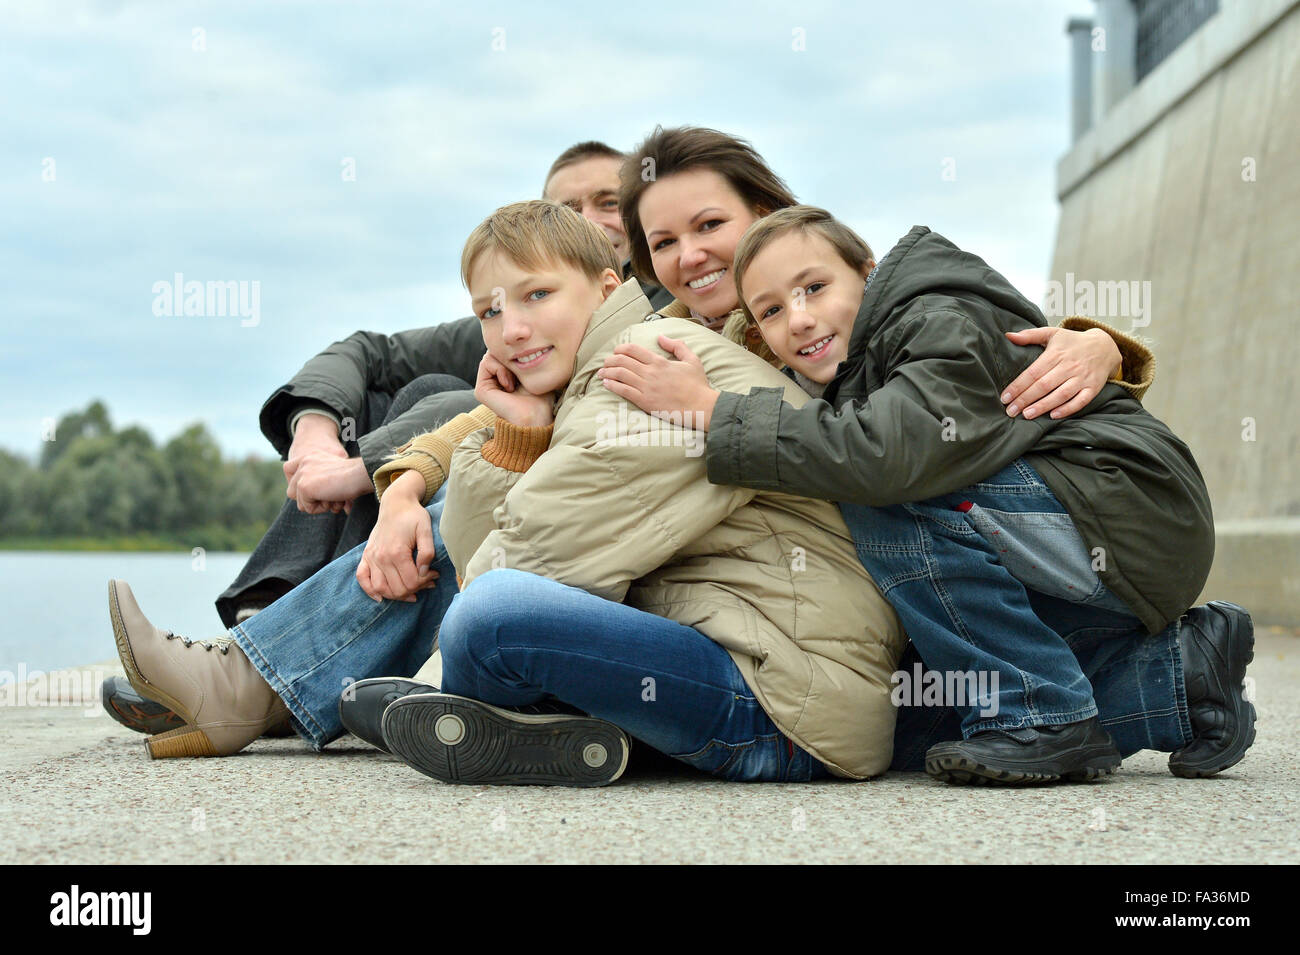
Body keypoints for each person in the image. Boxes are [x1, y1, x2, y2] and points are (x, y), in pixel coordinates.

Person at [108, 200, 909, 783]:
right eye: (490, 310)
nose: (511, 328)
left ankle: (267, 686)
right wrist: (516, 437)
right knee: (480, 598)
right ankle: (272, 685)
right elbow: (493, 540)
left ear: (605, 286)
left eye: (535, 296)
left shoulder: (649, 362)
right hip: (728, 657)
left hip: (786, 702)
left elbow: (537, 554)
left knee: (493, 616)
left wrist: (425, 681)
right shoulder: (588, 372)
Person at [596, 147, 1256, 783]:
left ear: (765, 210)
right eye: (662, 242)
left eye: (709, 224)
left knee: (886, 495)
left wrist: (1100, 344)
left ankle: (1040, 713)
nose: (690, 253)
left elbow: (909, 435)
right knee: (925, 716)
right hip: (952, 575)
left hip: (1104, 519)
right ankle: (1181, 677)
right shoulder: (671, 346)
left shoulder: (892, 309)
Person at [102, 140, 674, 731]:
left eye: (606, 201)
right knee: (415, 391)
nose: (584, 219)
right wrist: (322, 437)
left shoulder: (660, 329)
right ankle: (276, 642)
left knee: (446, 401)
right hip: (535, 559)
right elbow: (367, 351)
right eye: (564, 205)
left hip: (597, 590)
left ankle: (273, 676)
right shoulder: (522, 319)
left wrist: (370, 467)